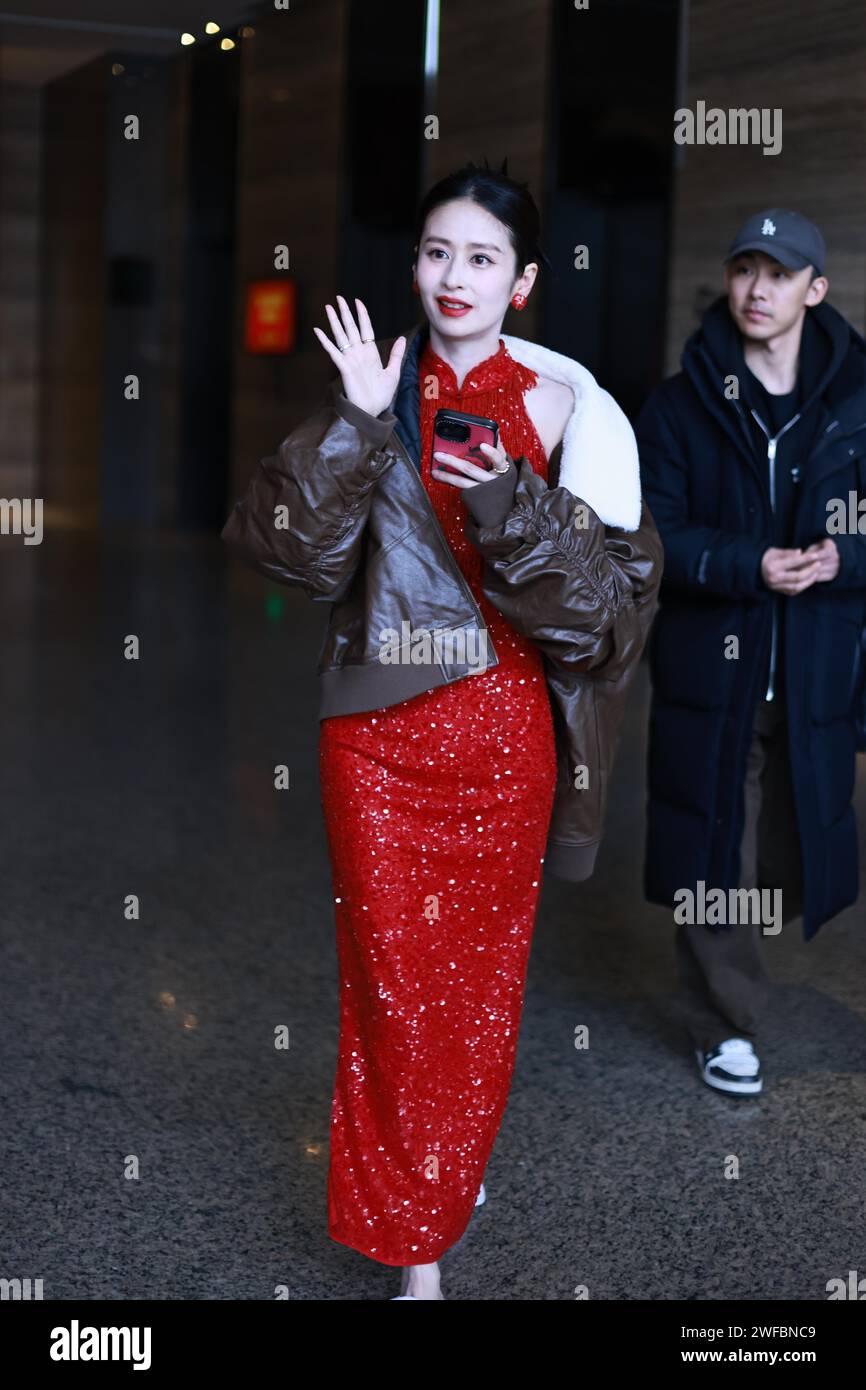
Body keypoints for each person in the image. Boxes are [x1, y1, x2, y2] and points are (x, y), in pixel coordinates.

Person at [222, 160, 662, 1299]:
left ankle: (440, 1172)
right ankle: (416, 1247)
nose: (450, 276)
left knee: (473, 989)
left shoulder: (570, 411)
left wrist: (507, 501)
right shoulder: (377, 384)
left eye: (479, 258)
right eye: (433, 252)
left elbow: (600, 625)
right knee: (390, 987)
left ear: (521, 283)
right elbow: (287, 555)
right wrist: (359, 425)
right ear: (412, 265)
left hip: (502, 742)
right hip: (373, 740)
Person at [636, 208, 866, 1097]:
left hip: (816, 667)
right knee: (715, 849)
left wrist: (846, 554)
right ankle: (723, 1020)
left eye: (779, 274)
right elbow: (653, 535)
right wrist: (748, 563)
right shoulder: (681, 402)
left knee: (788, 851)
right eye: (744, 271)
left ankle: (742, 956)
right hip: (715, 670)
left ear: (816, 288)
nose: (758, 290)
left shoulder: (855, 397)